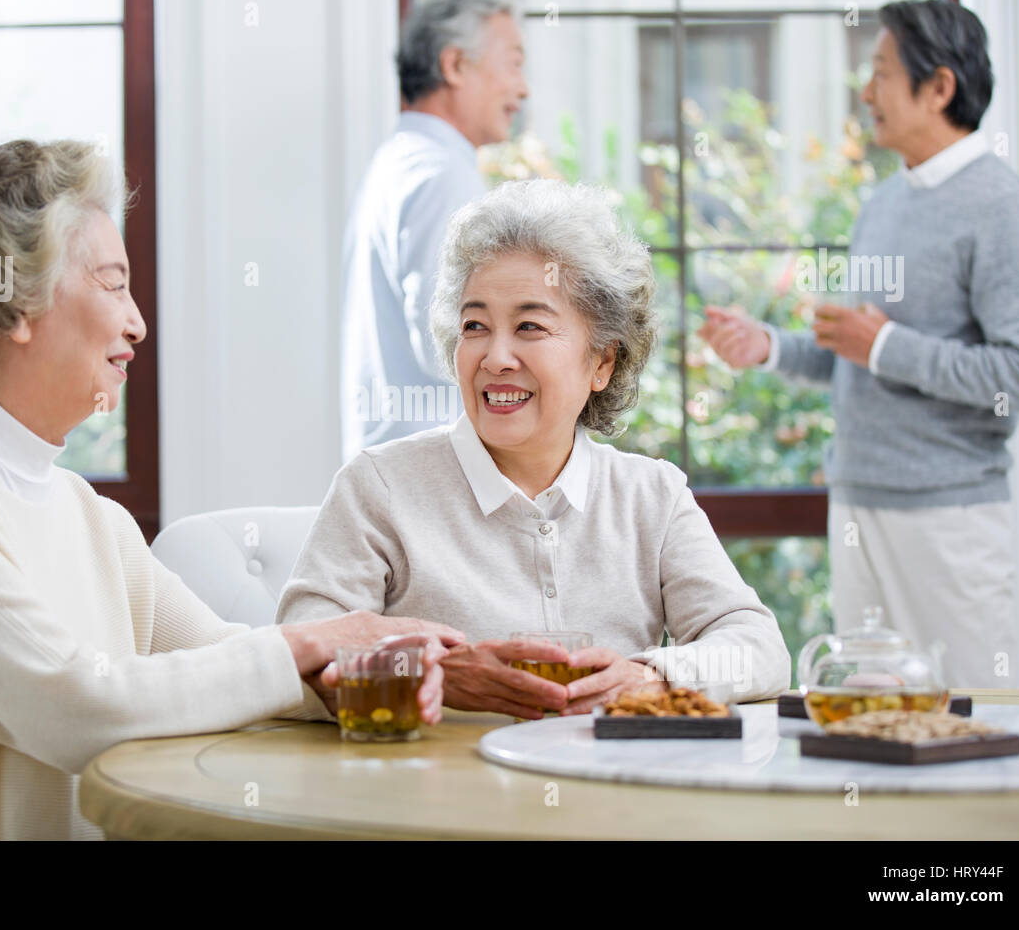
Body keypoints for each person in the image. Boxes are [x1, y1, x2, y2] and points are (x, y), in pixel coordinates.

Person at [0, 140, 459, 840]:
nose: (138, 323)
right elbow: (74, 707)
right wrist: (326, 640)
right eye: (112, 283)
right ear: (13, 304)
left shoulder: (91, 518)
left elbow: (228, 659)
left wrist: (389, 668)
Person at [281, 179, 792, 719]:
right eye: (474, 326)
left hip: (605, 794)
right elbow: (293, 656)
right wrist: (437, 675)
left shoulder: (652, 495)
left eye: (530, 326)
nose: (495, 356)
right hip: (436, 797)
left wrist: (649, 676)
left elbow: (759, 649)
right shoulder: (380, 486)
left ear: (602, 363)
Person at [699, 0, 1019, 688]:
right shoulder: (883, 205)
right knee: (872, 717)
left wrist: (886, 344)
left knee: (970, 720)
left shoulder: (1002, 208)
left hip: (949, 518)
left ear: (940, 87)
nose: (866, 92)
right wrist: (767, 345)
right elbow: (856, 358)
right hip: (859, 504)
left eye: (882, 73)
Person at [340, 0, 528, 462]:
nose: (522, 89)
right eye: (513, 63)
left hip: (400, 468)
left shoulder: (401, 161)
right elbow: (445, 338)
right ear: (455, 66)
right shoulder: (442, 174)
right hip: (433, 478)